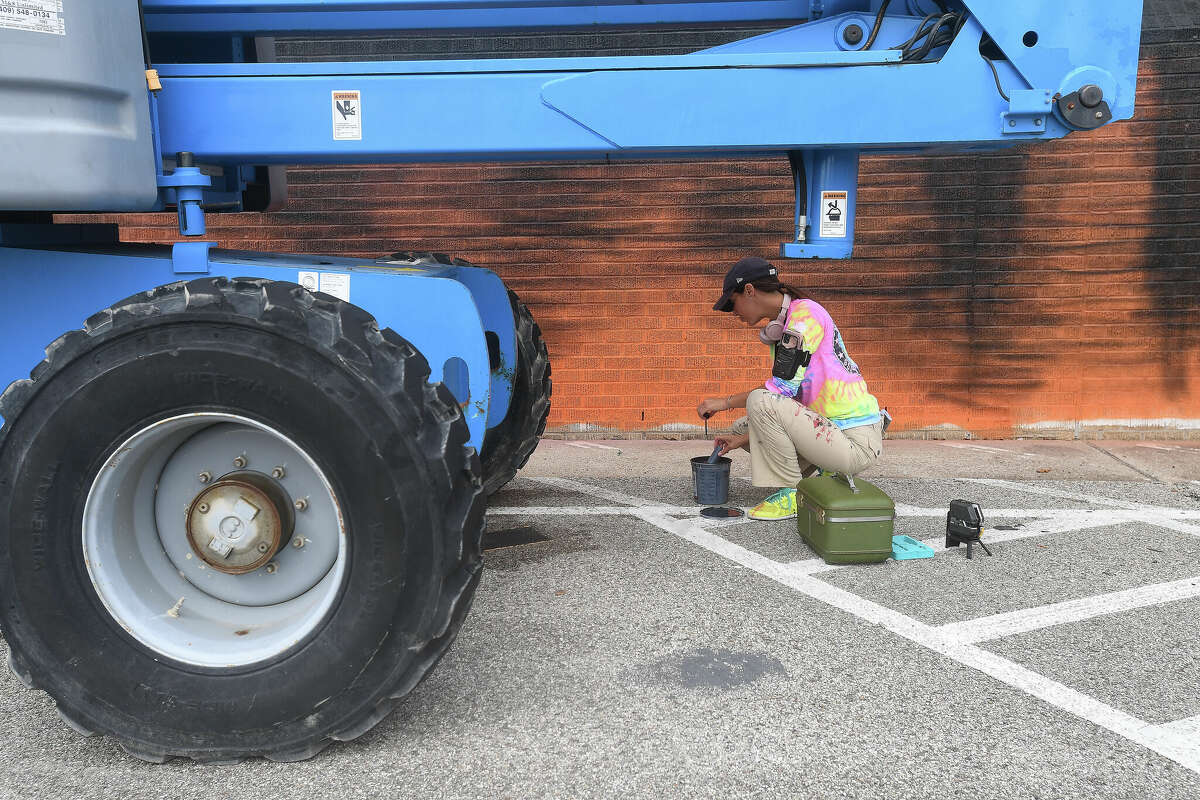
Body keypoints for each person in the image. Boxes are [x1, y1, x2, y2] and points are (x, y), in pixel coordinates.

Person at [697, 256, 886, 521]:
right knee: (742, 427)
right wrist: (741, 440)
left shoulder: (804, 318)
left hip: (854, 442)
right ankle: (825, 472)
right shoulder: (788, 323)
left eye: (732, 303)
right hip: (831, 430)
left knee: (761, 401)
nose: (733, 312)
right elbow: (791, 398)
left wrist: (724, 402)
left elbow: (779, 390)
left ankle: (792, 494)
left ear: (749, 290)